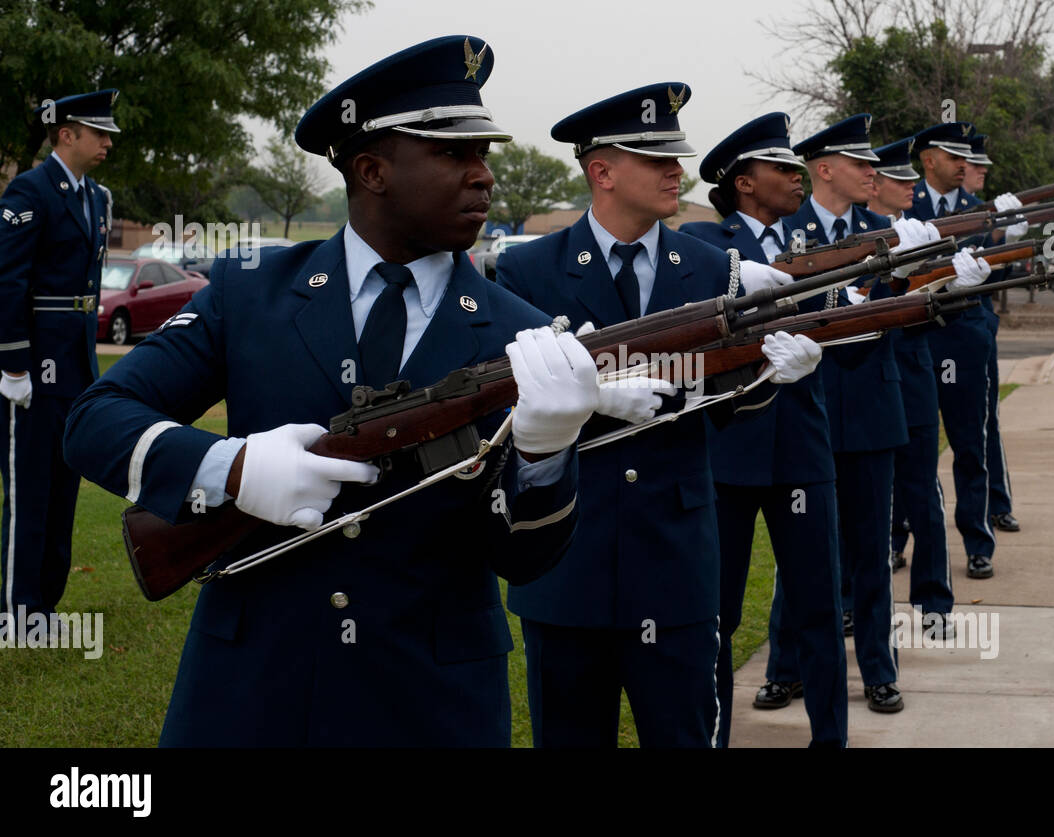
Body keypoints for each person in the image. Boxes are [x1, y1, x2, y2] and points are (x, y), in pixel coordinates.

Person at [64, 36, 598, 747]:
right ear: (372, 170)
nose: (483, 177)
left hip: (431, 701)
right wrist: (234, 469)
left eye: (484, 154)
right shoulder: (249, 292)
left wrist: (546, 456)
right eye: (452, 154)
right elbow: (97, 418)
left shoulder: (520, 333)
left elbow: (524, 559)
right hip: (254, 687)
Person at [496, 84, 822, 748]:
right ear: (602, 171)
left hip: (675, 564)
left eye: (676, 155)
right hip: (568, 564)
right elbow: (500, 406)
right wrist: (591, 396)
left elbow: (727, 405)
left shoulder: (710, 269)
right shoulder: (528, 271)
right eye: (655, 157)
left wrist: (769, 375)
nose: (677, 169)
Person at [678, 113, 848, 747]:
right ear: (743, 183)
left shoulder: (816, 239)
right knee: (714, 615)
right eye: (783, 169)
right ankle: (714, 738)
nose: (797, 178)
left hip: (801, 446)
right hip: (726, 451)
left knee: (819, 609)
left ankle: (831, 739)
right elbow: (687, 265)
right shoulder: (705, 241)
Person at [764, 114, 935, 714]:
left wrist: (913, 280)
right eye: (862, 164)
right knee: (800, 549)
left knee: (869, 551)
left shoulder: (888, 231)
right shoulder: (786, 236)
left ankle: (879, 671)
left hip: (868, 405)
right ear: (825, 169)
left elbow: (912, 319)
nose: (874, 172)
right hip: (805, 409)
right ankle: (785, 665)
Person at [0, 89, 118, 633]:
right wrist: (14, 365)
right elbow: (8, 281)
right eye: (98, 133)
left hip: (74, 360)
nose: (108, 143)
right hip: (33, 363)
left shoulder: (98, 196)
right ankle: (16, 612)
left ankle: (45, 604)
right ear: (66, 134)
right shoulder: (30, 190)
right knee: (29, 489)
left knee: (64, 484)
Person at [868, 136, 956, 631]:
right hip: (864, 378)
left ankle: (933, 602)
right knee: (864, 500)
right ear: (873, 184)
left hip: (913, 373)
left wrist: (948, 281)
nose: (909, 188)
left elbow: (933, 313)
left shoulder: (923, 235)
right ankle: (856, 604)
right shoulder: (855, 235)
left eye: (909, 178)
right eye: (898, 180)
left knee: (923, 493)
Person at [905, 121, 999, 579]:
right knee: (906, 444)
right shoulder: (906, 205)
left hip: (964, 335)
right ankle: (895, 535)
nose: (965, 164)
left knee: (969, 445)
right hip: (918, 337)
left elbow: (998, 275)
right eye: (954, 155)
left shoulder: (978, 211)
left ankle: (978, 542)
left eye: (967, 156)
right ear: (929, 160)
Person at [961, 133, 1023, 534]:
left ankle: (996, 503)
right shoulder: (921, 206)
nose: (984, 172)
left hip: (975, 323)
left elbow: (995, 276)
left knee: (986, 421)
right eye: (977, 165)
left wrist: (1005, 238)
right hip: (926, 331)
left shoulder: (981, 211)